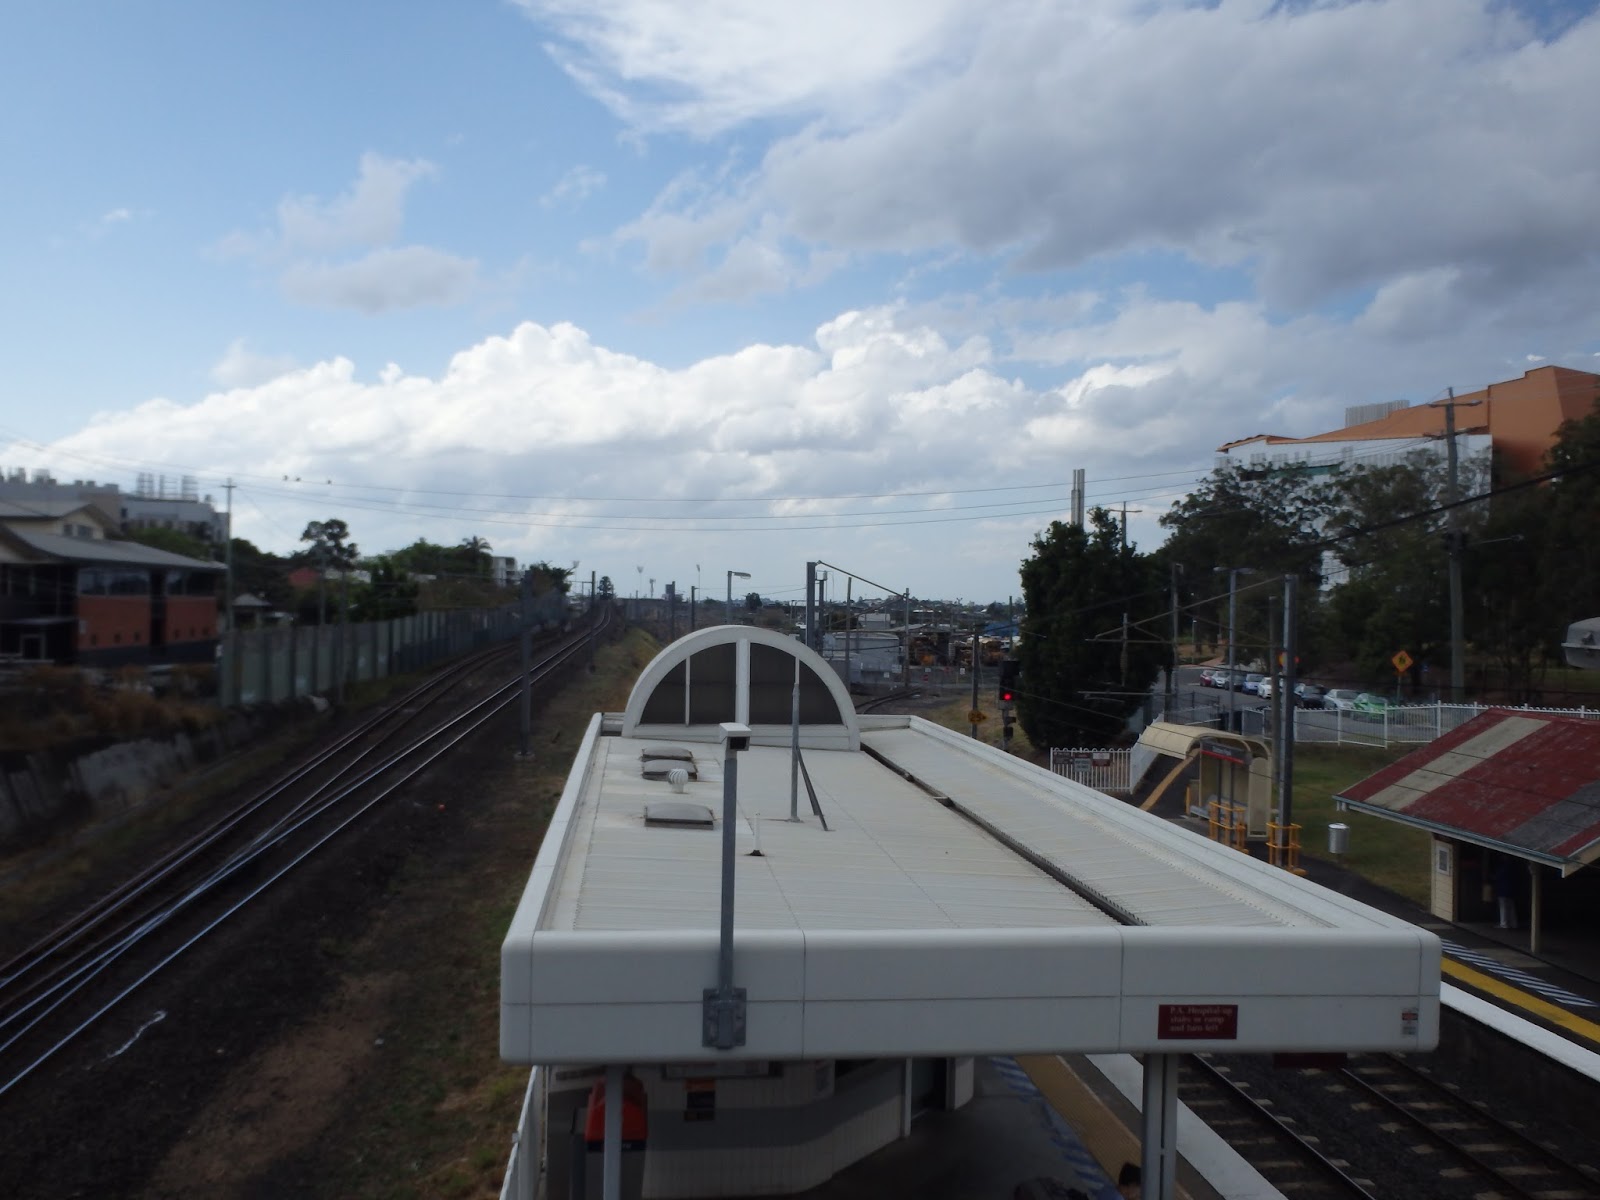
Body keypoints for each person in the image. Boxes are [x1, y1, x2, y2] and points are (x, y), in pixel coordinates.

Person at [1492, 856, 1518, 930]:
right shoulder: (1513, 867)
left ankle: (1504, 923)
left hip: (1503, 890)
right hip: (1511, 889)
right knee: (1511, 907)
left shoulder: (1504, 867)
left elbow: (1498, 876)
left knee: (1503, 907)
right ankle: (1513, 923)